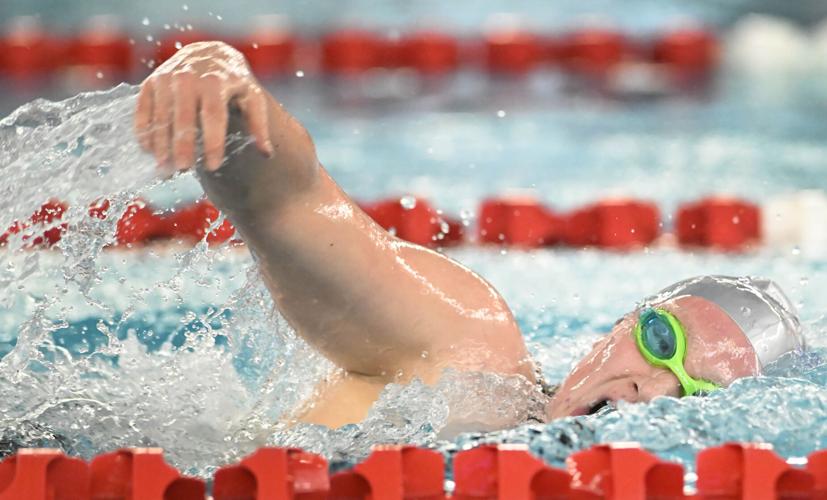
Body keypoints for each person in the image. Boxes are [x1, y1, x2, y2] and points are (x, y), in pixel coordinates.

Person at [134, 41, 805, 430]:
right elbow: (291, 210)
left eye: (701, 394)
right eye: (662, 341)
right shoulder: (464, 354)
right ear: (615, 329)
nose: (650, 391)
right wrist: (219, 82)